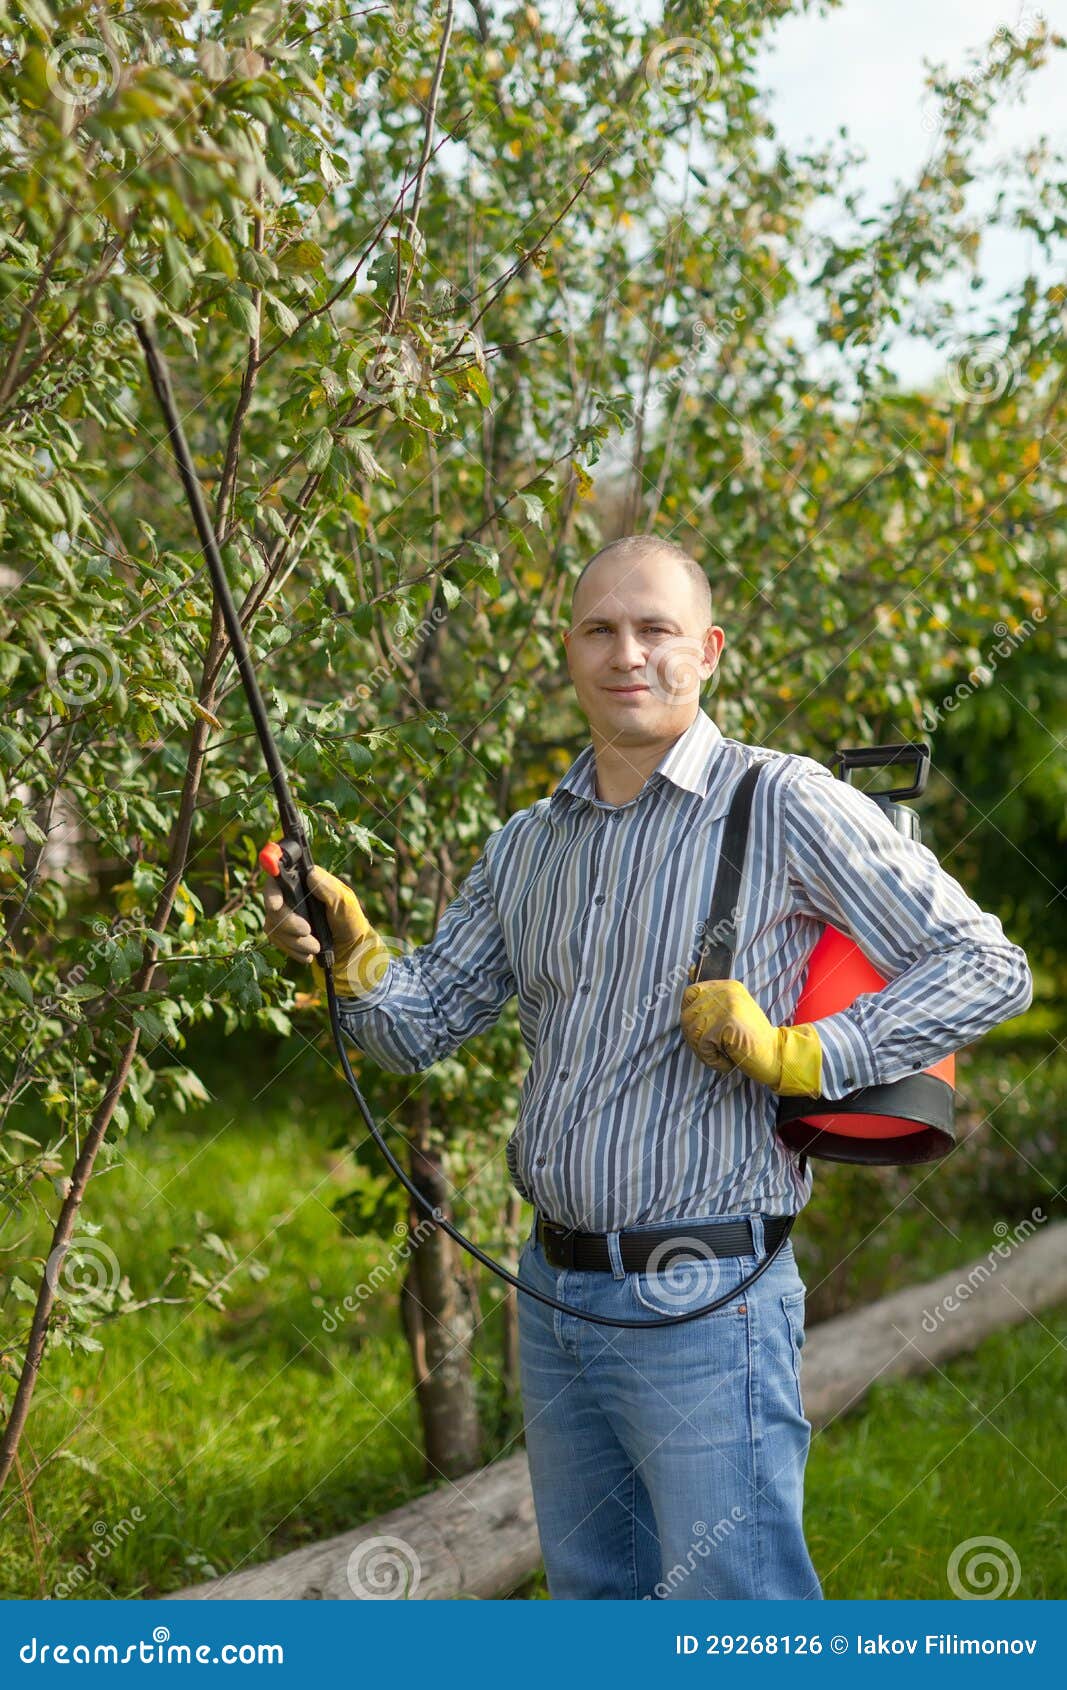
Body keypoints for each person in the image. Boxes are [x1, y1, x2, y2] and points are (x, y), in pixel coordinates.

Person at [261, 534, 1034, 1600]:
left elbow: (985, 965)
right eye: (600, 629)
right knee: (596, 1604)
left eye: (655, 628)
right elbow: (421, 1023)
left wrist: (802, 1053)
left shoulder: (783, 802)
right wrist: (349, 952)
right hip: (552, 1289)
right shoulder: (526, 845)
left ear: (706, 649)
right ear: (568, 653)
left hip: (705, 1296)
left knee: (735, 1613)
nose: (628, 652)